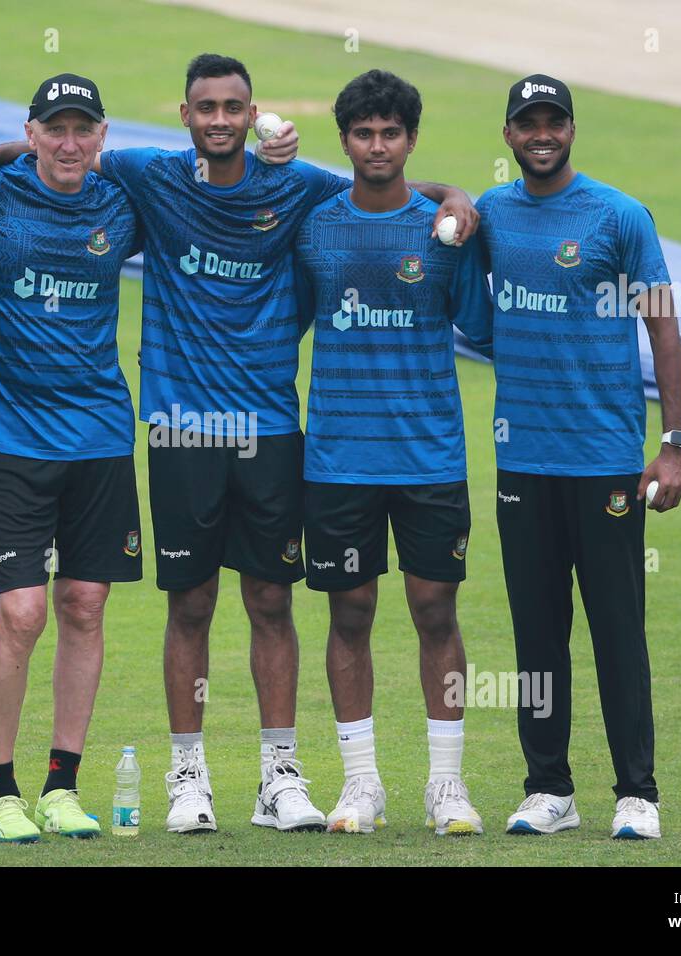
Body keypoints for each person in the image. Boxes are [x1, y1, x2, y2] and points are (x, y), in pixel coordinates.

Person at [0, 53, 480, 833]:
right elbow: (57, 148)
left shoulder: (298, 184)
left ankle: (279, 777)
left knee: (271, 600)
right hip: (180, 428)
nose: (221, 120)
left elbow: (381, 191)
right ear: (185, 115)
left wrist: (455, 194)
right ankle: (187, 779)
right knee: (190, 602)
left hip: (270, 426)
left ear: (252, 111)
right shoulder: (151, 175)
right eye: (207, 108)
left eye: (234, 107)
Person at [475, 75, 681, 840]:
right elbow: (433, 199)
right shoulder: (493, 213)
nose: (541, 134)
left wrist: (673, 444)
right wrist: (448, 197)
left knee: (617, 629)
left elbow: (663, 329)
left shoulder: (619, 216)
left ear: (571, 129)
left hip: (605, 462)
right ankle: (549, 790)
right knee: (536, 632)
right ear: (508, 135)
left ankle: (637, 793)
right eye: (527, 123)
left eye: (553, 122)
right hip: (521, 462)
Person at [0, 74, 143, 843]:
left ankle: (63, 785)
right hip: (9, 434)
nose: (68, 142)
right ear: (28, 134)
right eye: (53, 128)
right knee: (22, 612)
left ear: (101, 135)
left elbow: (208, 184)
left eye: (82, 128)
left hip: (99, 433)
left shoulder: (122, 202)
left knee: (84, 605)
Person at [295, 71, 492, 836]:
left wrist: (466, 210)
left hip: (430, 459)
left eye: (391, 133)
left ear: (412, 139)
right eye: (363, 133)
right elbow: (286, 325)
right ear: (344, 140)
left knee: (435, 609)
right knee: (351, 614)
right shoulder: (313, 228)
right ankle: (360, 785)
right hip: (338, 460)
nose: (377, 146)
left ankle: (447, 785)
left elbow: (481, 328)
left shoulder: (447, 233)